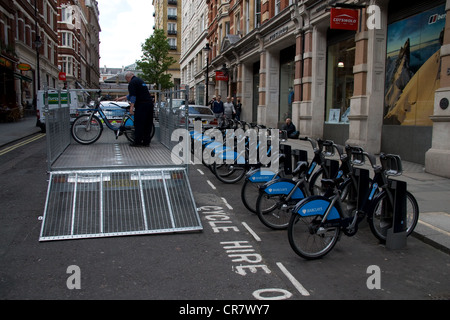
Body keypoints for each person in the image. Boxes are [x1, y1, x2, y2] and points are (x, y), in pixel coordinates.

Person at [116, 72, 153, 147]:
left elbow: (133, 96)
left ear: (128, 78)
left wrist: (131, 108)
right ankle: (146, 142)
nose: (127, 82)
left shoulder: (132, 83)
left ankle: (137, 142)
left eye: (127, 80)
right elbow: (135, 93)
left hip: (141, 105)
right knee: (148, 124)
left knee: (139, 123)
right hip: (149, 104)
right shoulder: (140, 81)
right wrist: (121, 98)